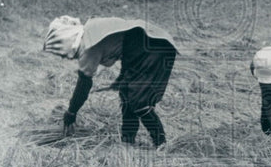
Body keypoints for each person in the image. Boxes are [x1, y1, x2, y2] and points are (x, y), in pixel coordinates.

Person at [43, 15, 177, 147]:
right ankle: (128, 139)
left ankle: (161, 142)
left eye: (61, 54)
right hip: (144, 45)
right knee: (126, 93)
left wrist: (71, 113)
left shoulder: (88, 47)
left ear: (65, 41)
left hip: (153, 44)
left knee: (138, 100)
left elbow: (83, 85)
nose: (63, 58)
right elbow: (126, 41)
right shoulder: (89, 31)